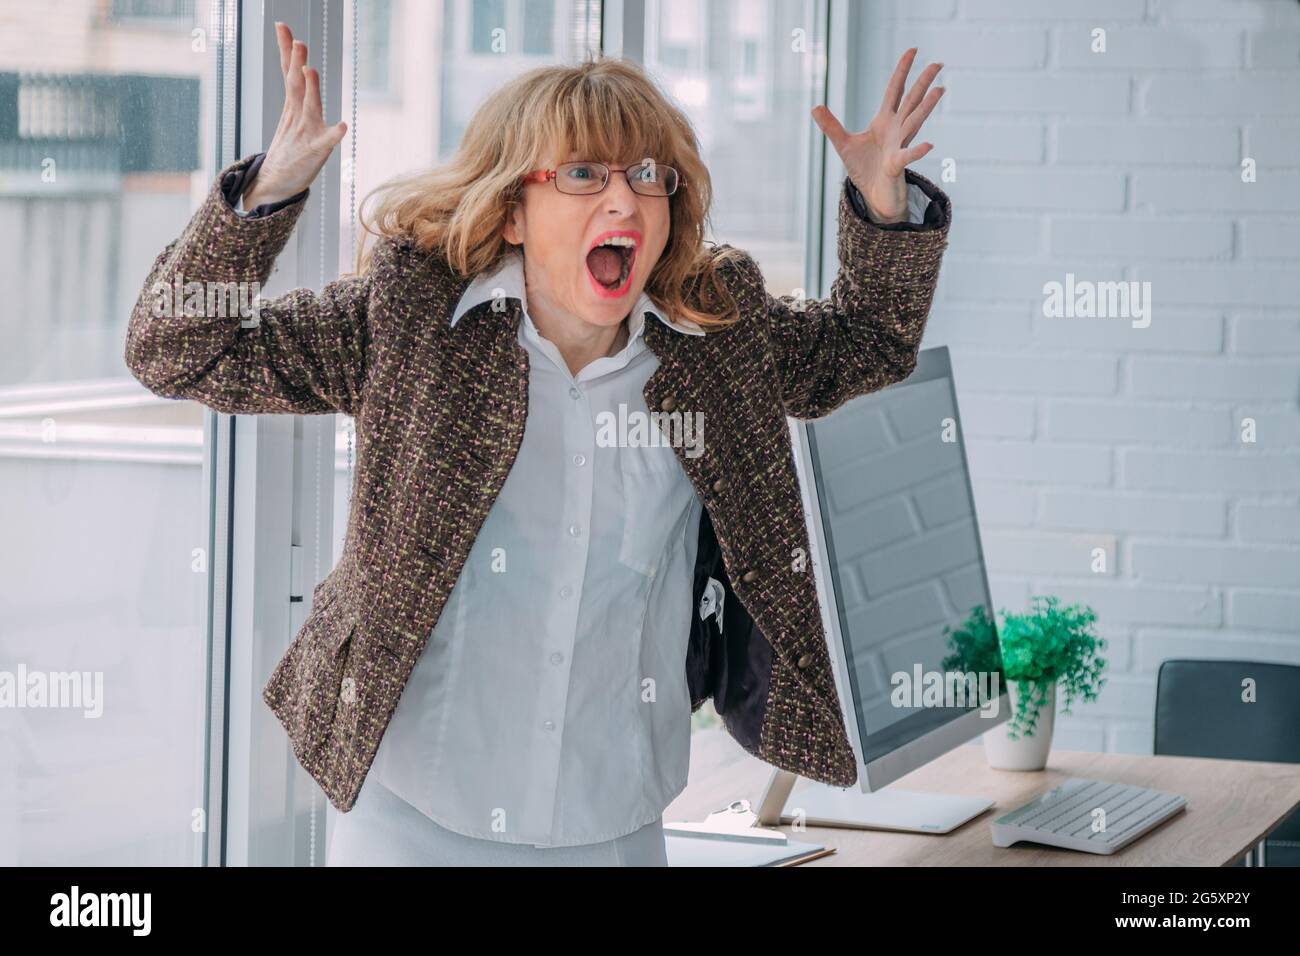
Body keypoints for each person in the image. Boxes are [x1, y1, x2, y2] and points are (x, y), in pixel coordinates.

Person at [125, 22, 951, 866]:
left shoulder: (716, 338)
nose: (624, 201)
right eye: (584, 174)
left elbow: (868, 343)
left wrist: (882, 210)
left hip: (616, 820)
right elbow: (173, 347)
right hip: (412, 820)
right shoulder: (415, 318)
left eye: (647, 176)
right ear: (513, 211)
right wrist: (266, 197)